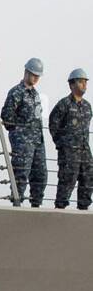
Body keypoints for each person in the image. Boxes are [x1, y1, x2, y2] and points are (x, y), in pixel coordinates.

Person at [0, 58, 47, 207]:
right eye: (33, 74)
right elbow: (7, 116)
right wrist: (18, 133)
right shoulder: (16, 92)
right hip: (22, 142)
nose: (35, 78)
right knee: (21, 175)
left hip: (37, 142)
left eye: (37, 76)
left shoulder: (36, 94)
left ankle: (36, 204)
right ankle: (17, 204)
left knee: (41, 175)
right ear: (26, 72)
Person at [48, 69, 92, 211]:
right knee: (67, 181)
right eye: (81, 81)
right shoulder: (64, 104)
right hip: (69, 153)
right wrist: (62, 144)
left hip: (84, 151)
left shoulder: (87, 106)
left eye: (85, 82)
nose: (84, 85)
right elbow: (53, 124)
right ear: (72, 85)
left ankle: (83, 210)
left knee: (88, 180)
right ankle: (60, 211)